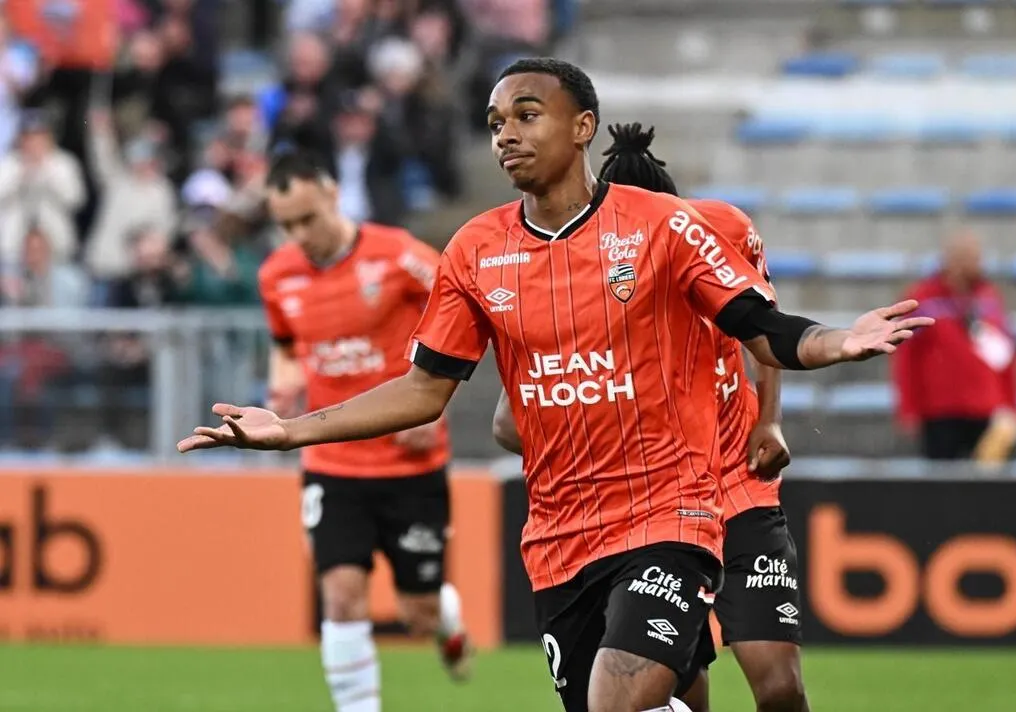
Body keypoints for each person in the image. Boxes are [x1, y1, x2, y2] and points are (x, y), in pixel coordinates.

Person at [177, 59, 932, 712]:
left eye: (528, 114)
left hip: (671, 513)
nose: (505, 132)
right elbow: (422, 390)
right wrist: (290, 429)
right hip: (560, 539)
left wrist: (835, 342)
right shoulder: (474, 250)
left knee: (648, 693)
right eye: (496, 119)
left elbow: (759, 324)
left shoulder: (665, 227)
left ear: (582, 128)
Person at [491, 123, 808, 712]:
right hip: (650, 506)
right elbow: (511, 420)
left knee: (779, 685)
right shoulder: (575, 278)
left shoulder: (718, 232)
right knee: (669, 692)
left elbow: (767, 326)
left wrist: (769, 418)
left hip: (737, 486)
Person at [254, 151, 472, 712]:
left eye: (308, 218)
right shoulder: (277, 275)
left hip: (410, 460)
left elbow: (465, 316)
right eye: (287, 225)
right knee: (342, 595)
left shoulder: (399, 255)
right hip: (332, 461)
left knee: (415, 614)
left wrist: (438, 404)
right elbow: (286, 349)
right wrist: (282, 388)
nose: (300, 235)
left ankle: (443, 615)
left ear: (332, 195)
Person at [892, 230, 1016, 464]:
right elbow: (907, 357)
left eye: (975, 258)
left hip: (988, 409)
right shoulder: (923, 299)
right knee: (943, 490)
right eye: (965, 257)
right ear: (949, 260)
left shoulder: (989, 299)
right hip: (940, 411)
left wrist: (1011, 405)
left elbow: (1005, 355)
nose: (972, 264)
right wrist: (909, 408)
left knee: (991, 489)